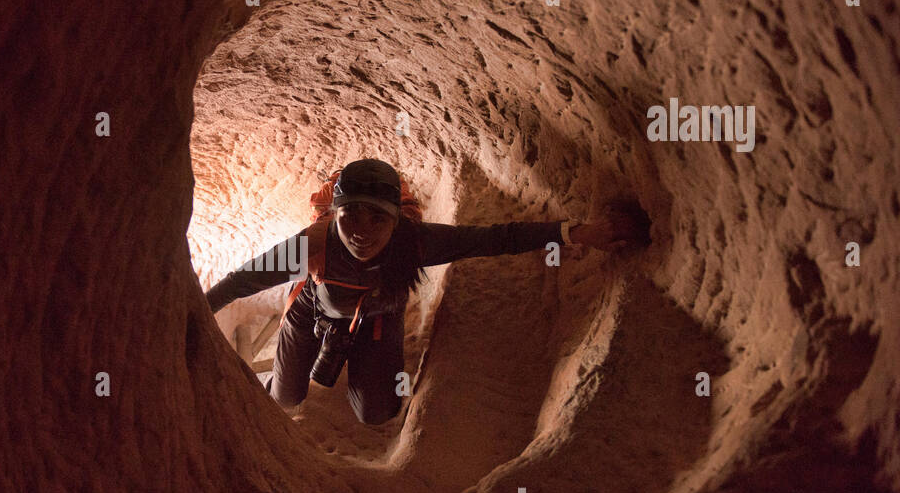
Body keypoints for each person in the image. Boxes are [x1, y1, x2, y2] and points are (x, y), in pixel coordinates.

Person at [205, 159, 645, 425]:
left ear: (397, 220)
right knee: (285, 398)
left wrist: (580, 233)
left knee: (378, 414)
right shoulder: (314, 243)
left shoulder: (416, 242)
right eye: (350, 217)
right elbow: (245, 279)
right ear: (334, 216)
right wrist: (194, 309)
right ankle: (282, 378)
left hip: (377, 319)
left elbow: (496, 237)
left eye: (376, 218)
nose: (361, 232)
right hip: (312, 312)